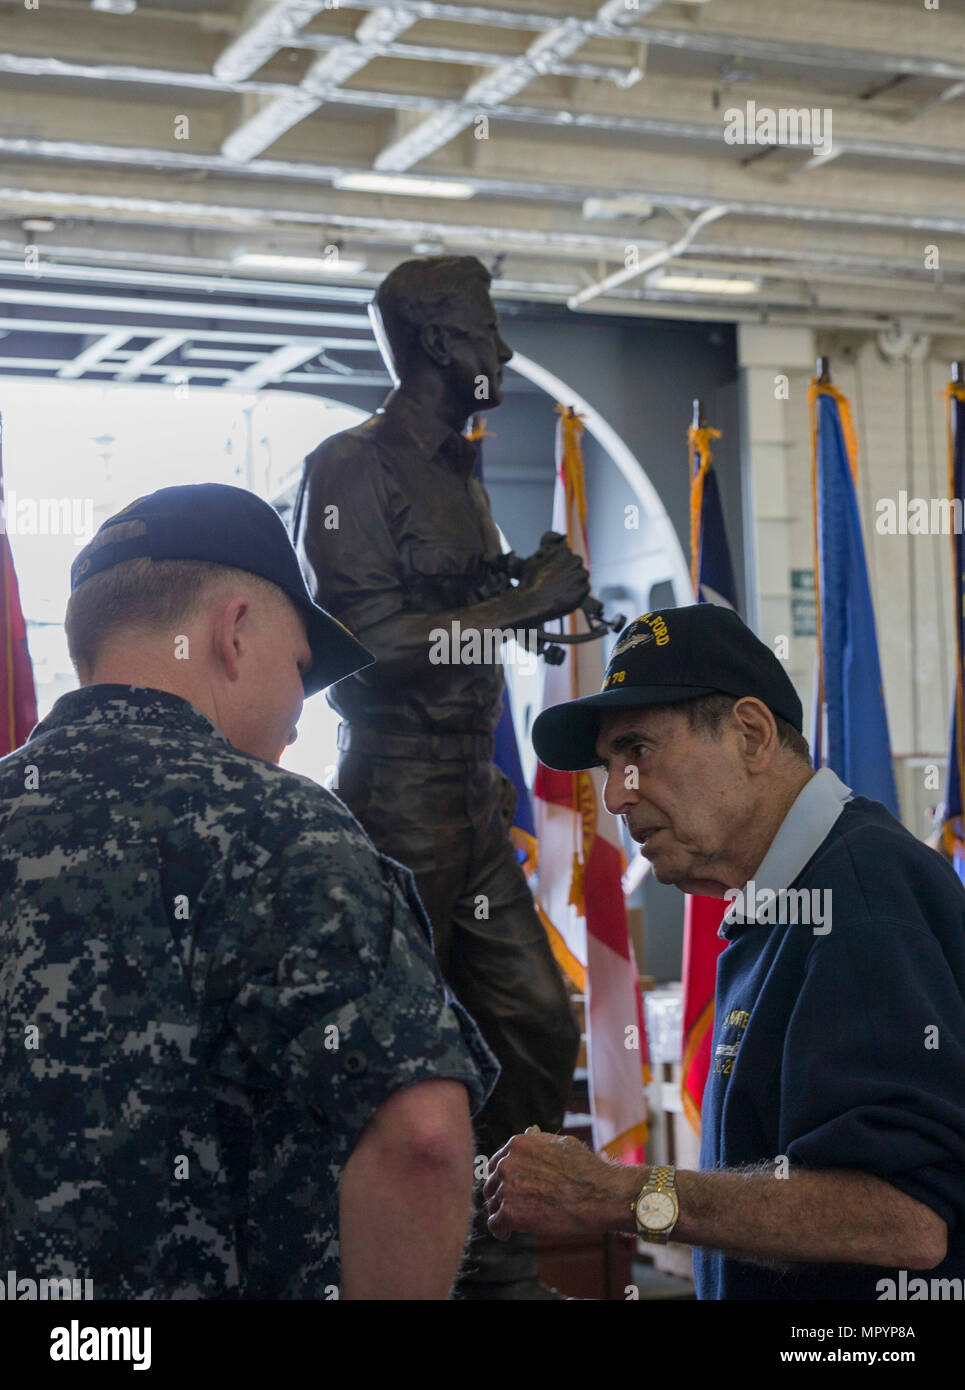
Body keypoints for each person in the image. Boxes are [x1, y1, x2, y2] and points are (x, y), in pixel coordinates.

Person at [0, 482, 498, 1300]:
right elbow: (421, 1142)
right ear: (233, 632)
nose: (300, 714)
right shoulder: (285, 829)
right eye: (301, 667)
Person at [483, 604, 965, 1299]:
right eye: (609, 765)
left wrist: (622, 1194)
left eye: (637, 750)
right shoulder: (784, 897)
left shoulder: (857, 892)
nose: (616, 795)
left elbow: (902, 1220)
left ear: (750, 733)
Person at [291, 254, 585, 1298]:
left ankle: (491, 1255)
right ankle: (381, 1266)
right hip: (395, 799)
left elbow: (455, 626)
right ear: (428, 344)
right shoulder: (347, 467)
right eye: (481, 333)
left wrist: (527, 600)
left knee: (535, 1023)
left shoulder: (460, 471)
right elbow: (366, 640)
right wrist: (521, 603)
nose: (498, 353)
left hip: (471, 792)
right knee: (397, 1061)